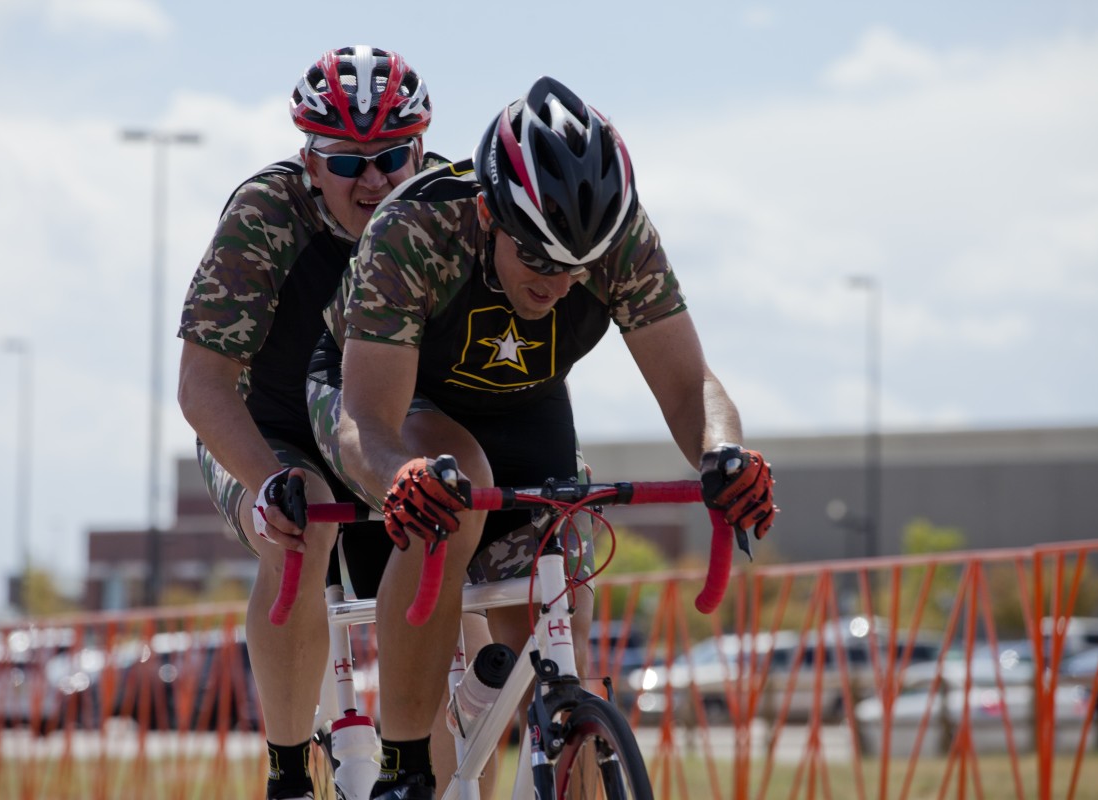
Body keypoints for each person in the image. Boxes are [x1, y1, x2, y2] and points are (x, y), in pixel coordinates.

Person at [306, 75, 777, 799]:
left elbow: (690, 388)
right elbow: (367, 422)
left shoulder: (620, 237)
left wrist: (724, 453)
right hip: (386, 397)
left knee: (558, 638)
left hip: (522, 401)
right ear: (491, 212)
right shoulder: (417, 231)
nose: (559, 283)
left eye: (578, 266)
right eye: (538, 259)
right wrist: (405, 478)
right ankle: (405, 767)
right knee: (449, 485)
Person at [177, 46, 483, 800]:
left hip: (378, 430)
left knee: (443, 531)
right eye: (348, 162)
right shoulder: (264, 215)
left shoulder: (446, 205)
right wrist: (267, 481)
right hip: (262, 428)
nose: (375, 181)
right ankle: (288, 773)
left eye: (392, 156)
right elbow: (201, 386)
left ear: (421, 146)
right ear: (310, 159)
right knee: (302, 519)